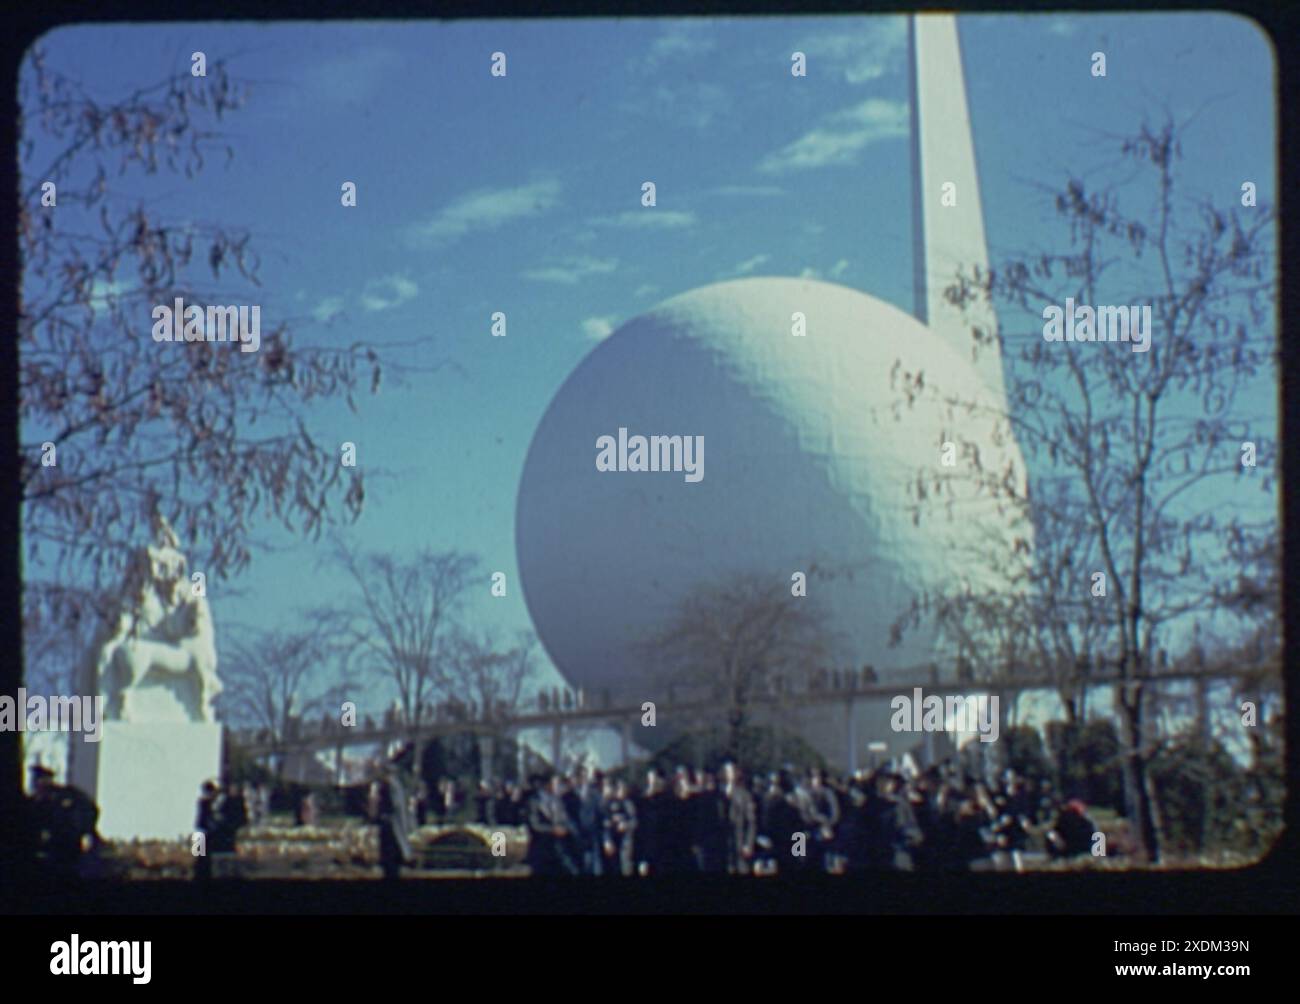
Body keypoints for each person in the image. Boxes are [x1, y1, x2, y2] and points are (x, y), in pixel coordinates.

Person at [27, 764, 101, 880]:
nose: (40, 783)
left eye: (43, 779)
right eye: (37, 780)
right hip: (49, 852)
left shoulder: (69, 794)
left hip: (73, 848)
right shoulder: (33, 803)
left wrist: (85, 831)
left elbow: (91, 809)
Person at [526, 773, 578, 876]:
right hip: (541, 849)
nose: (558, 787)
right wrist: (552, 830)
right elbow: (534, 825)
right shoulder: (534, 801)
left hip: (559, 849)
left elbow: (564, 818)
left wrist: (566, 829)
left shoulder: (557, 800)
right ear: (547, 784)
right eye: (556, 783)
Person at [369, 764, 414, 880]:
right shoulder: (386, 786)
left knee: (391, 855)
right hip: (387, 824)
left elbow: (396, 805)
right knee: (388, 856)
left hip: (391, 825)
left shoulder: (392, 786)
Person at [720, 761, 756, 875]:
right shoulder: (716, 794)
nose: (727, 774)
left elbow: (751, 822)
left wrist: (748, 844)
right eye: (725, 771)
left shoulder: (744, 795)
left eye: (730, 771)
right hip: (722, 846)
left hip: (739, 844)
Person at [194, 779, 221, 881]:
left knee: (199, 858)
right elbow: (208, 819)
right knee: (204, 859)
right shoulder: (207, 803)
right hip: (204, 832)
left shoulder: (202, 802)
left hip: (198, 831)